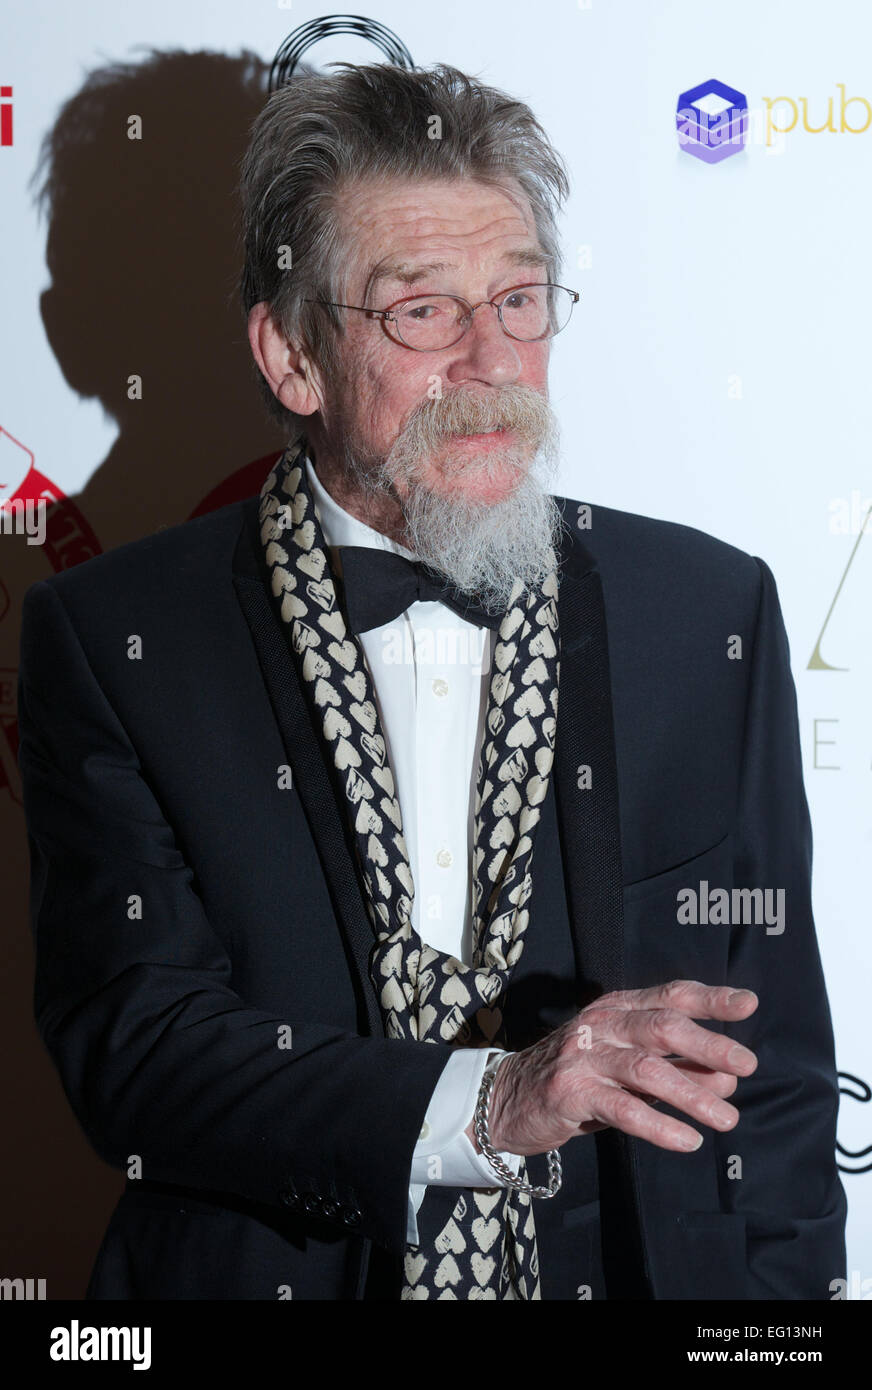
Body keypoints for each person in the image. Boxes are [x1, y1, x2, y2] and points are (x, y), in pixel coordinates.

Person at [18, 62, 846, 1300]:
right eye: (421, 312)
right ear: (292, 354)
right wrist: (491, 1099)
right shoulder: (116, 637)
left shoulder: (707, 613)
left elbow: (766, 1064)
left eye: (519, 300)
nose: (490, 361)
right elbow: (138, 1050)